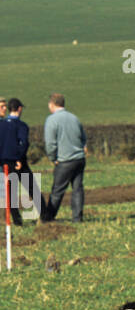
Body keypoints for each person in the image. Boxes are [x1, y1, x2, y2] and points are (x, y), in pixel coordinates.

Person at [42, 92, 87, 223]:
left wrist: (52, 158)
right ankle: (77, 218)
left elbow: (50, 143)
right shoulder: (74, 118)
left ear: (52, 104)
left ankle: (48, 218)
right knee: (77, 189)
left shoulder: (51, 120)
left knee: (57, 191)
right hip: (79, 159)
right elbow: (83, 138)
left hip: (64, 160)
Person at [3, 99, 34, 224]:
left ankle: (16, 220)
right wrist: (19, 158)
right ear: (19, 109)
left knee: (11, 192)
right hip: (18, 162)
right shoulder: (21, 125)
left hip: (4, 163)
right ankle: (45, 215)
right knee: (32, 189)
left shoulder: (2, 124)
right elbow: (23, 143)